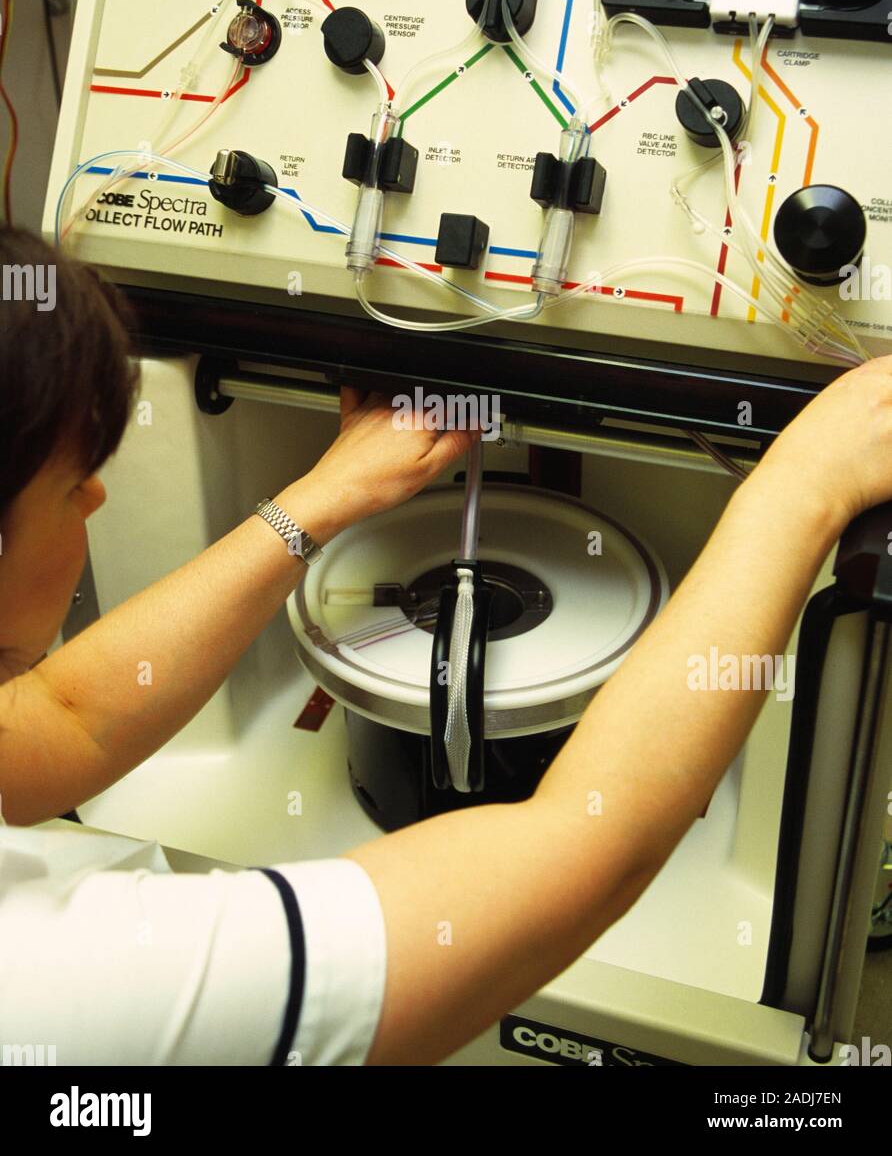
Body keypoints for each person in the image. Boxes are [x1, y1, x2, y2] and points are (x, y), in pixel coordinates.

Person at [1, 224, 890, 1067]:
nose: (95, 503)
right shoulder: (78, 983)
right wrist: (803, 485)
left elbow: (62, 719)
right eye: (75, 481)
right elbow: (580, 857)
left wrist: (322, 498)